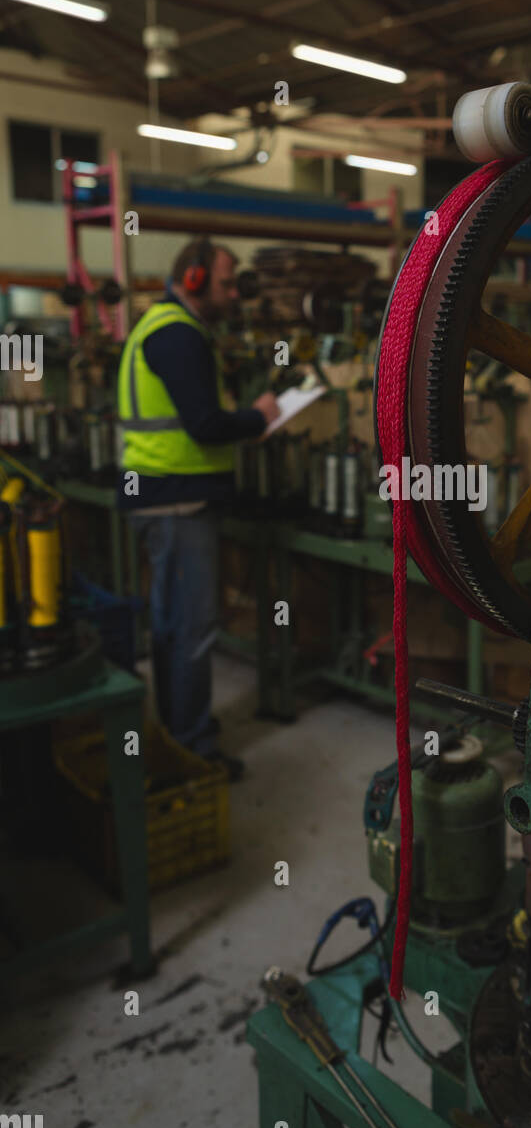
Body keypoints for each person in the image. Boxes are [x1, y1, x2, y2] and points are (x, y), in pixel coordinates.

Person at [117, 237, 279, 780]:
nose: (234, 294)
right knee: (191, 629)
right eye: (227, 283)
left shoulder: (161, 326)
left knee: (172, 626)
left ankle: (175, 736)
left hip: (164, 498)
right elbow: (204, 425)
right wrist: (258, 417)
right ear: (194, 279)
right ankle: (193, 751)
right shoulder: (179, 335)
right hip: (177, 502)